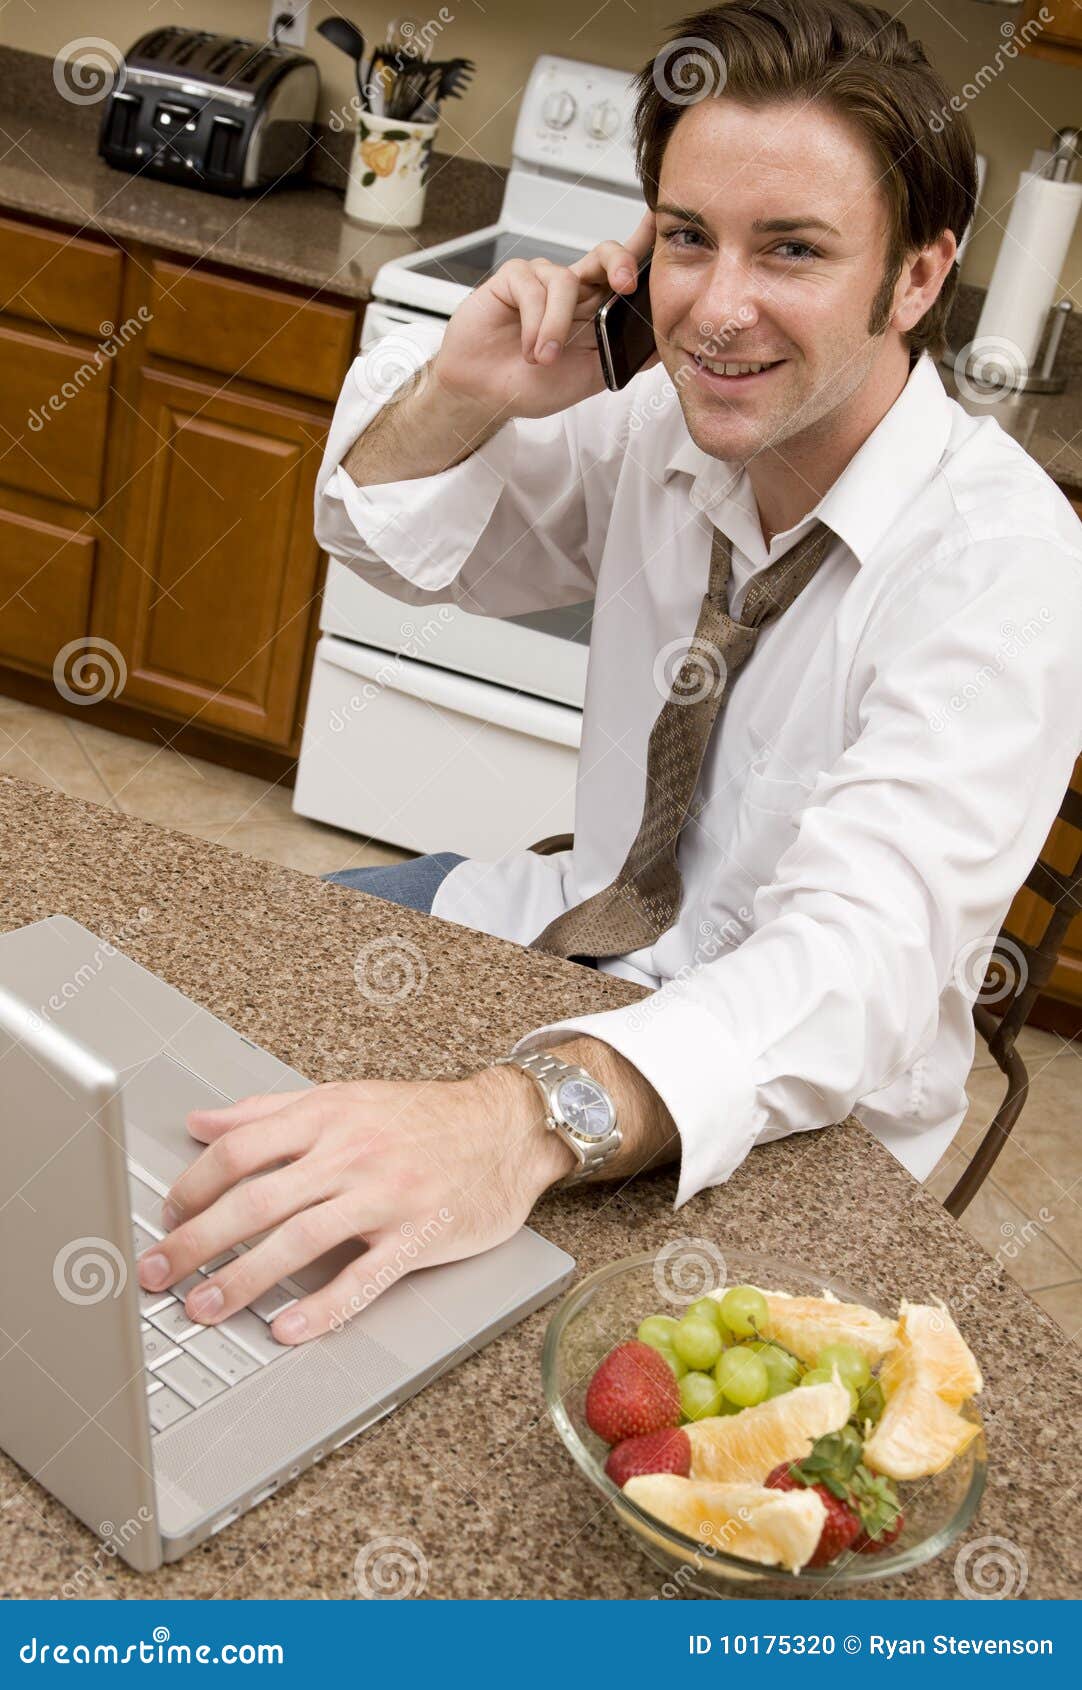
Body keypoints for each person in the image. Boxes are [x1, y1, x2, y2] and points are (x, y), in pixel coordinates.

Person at [138, 0, 1082, 1345]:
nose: (715, 308)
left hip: (791, 1107)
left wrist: (513, 1116)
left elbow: (855, 965)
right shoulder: (660, 420)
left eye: (794, 251)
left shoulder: (1001, 567)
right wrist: (469, 388)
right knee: (178, 1028)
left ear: (919, 277)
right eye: (687, 238)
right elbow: (398, 543)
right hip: (569, 922)